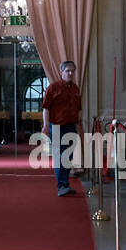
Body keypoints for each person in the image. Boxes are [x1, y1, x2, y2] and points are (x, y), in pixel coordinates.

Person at [41, 60, 82, 196]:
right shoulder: (53, 88)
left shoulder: (75, 88)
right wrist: (46, 125)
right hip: (57, 126)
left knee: (68, 156)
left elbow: (78, 109)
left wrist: (79, 126)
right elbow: (46, 108)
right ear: (61, 72)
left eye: (72, 71)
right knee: (60, 156)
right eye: (67, 71)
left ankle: (65, 184)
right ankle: (62, 186)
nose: (70, 73)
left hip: (71, 126)